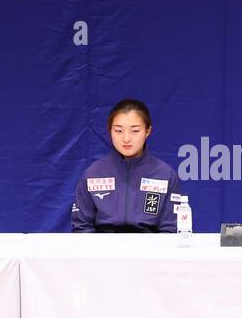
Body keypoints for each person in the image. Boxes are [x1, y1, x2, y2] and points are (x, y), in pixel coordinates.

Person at [71, 98, 179, 233]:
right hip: (102, 252)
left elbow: (171, 230)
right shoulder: (93, 173)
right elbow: (82, 227)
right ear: (110, 131)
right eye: (118, 131)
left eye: (135, 130)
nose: (126, 138)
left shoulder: (165, 175)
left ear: (147, 131)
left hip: (150, 251)